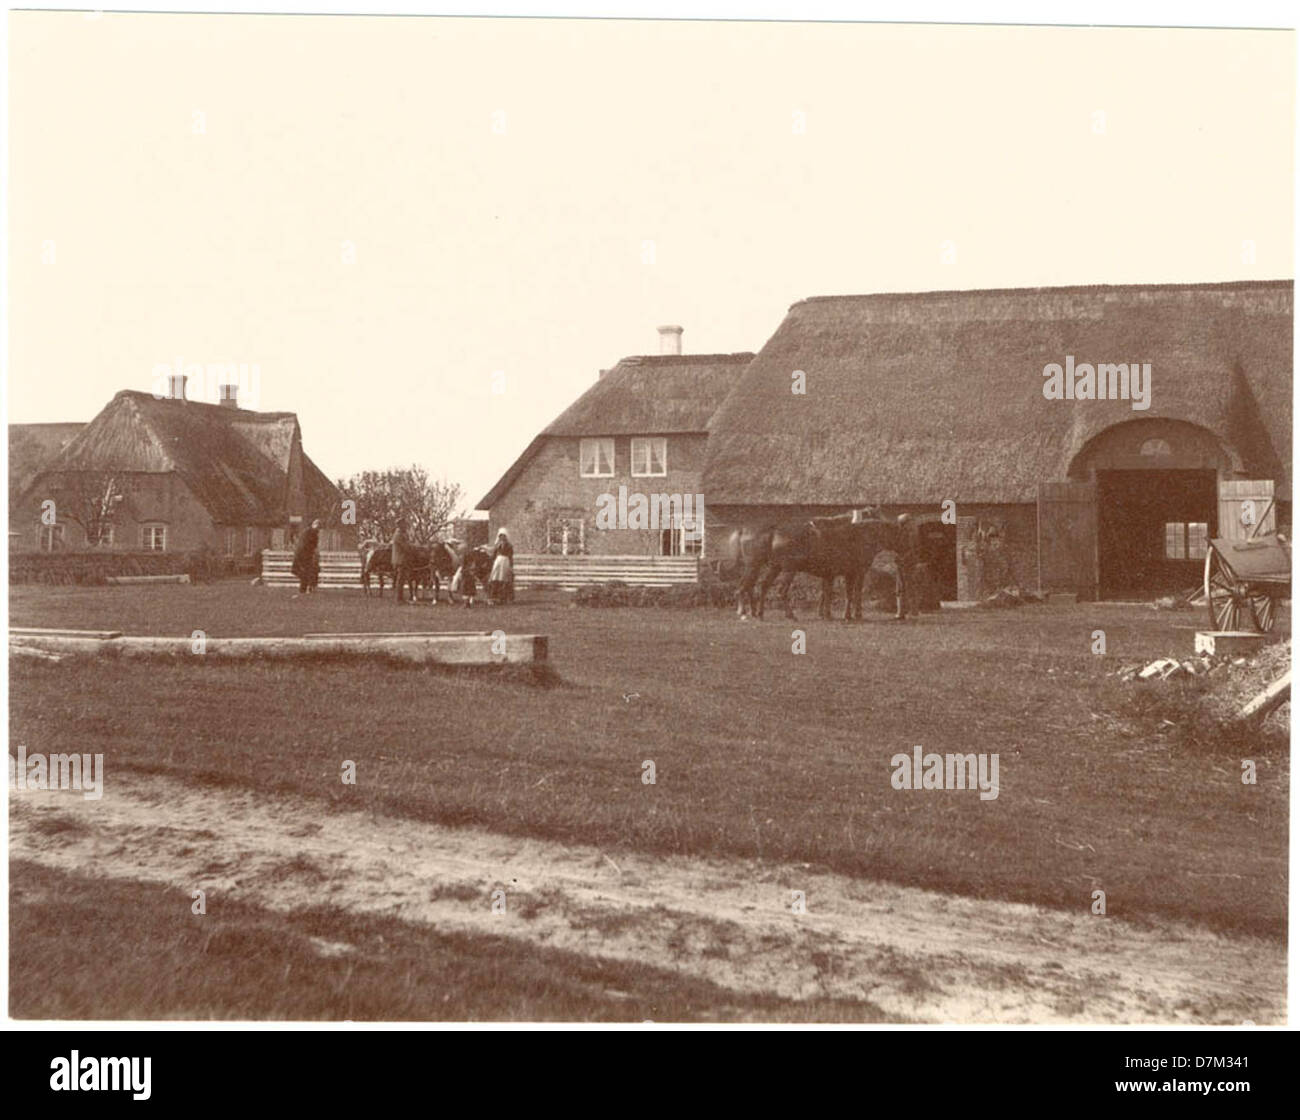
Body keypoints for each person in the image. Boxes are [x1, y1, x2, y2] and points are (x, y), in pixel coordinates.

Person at [291, 518, 322, 594]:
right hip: (305, 555)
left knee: (305, 571)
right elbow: (311, 546)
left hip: (303, 554)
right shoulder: (311, 533)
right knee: (306, 571)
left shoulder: (308, 532)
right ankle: (307, 587)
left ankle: (305, 588)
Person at [488, 528, 514, 605]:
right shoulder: (497, 545)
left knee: (504, 579)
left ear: (506, 537)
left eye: (503, 536)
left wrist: (511, 566)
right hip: (498, 562)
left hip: (505, 562)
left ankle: (503, 598)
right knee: (495, 578)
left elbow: (510, 556)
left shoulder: (509, 546)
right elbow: (493, 554)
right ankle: (494, 597)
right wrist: (492, 561)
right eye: (500, 536)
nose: (502, 538)